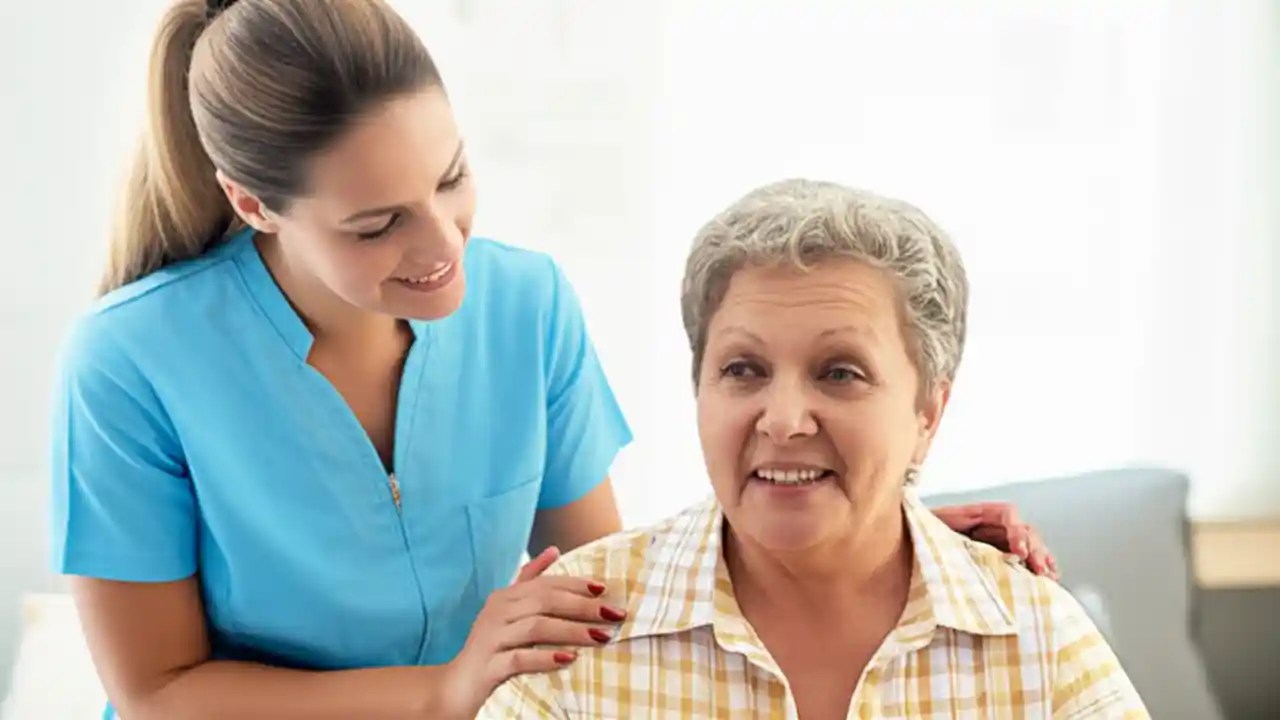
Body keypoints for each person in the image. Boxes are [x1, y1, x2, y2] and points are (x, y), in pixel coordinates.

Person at [51, 2, 1056, 718]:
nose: (441, 243)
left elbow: (604, 588)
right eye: (377, 224)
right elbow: (158, 692)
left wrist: (876, 540)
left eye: (451, 179)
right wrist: (443, 693)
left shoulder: (526, 306)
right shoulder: (132, 361)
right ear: (255, 205)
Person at [479, 180, 1148, 718]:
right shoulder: (575, 636)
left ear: (928, 412)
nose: (785, 420)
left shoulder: (1036, 640)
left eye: (840, 373)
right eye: (743, 370)